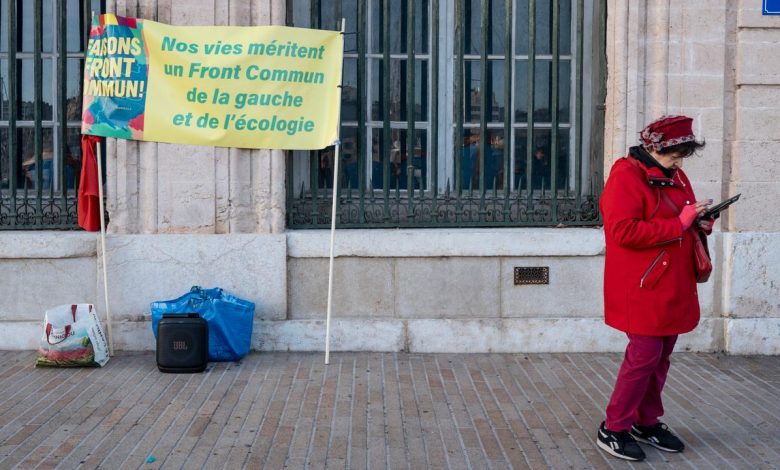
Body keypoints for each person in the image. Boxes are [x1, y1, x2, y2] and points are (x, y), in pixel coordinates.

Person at [596, 115, 713, 461]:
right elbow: (622, 231)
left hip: (672, 283)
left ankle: (645, 422)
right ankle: (613, 427)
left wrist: (699, 221)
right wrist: (679, 223)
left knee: (660, 358)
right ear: (654, 148)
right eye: (675, 156)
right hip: (642, 284)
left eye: (683, 156)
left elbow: (684, 217)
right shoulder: (625, 176)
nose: (680, 163)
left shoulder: (675, 175)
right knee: (643, 357)